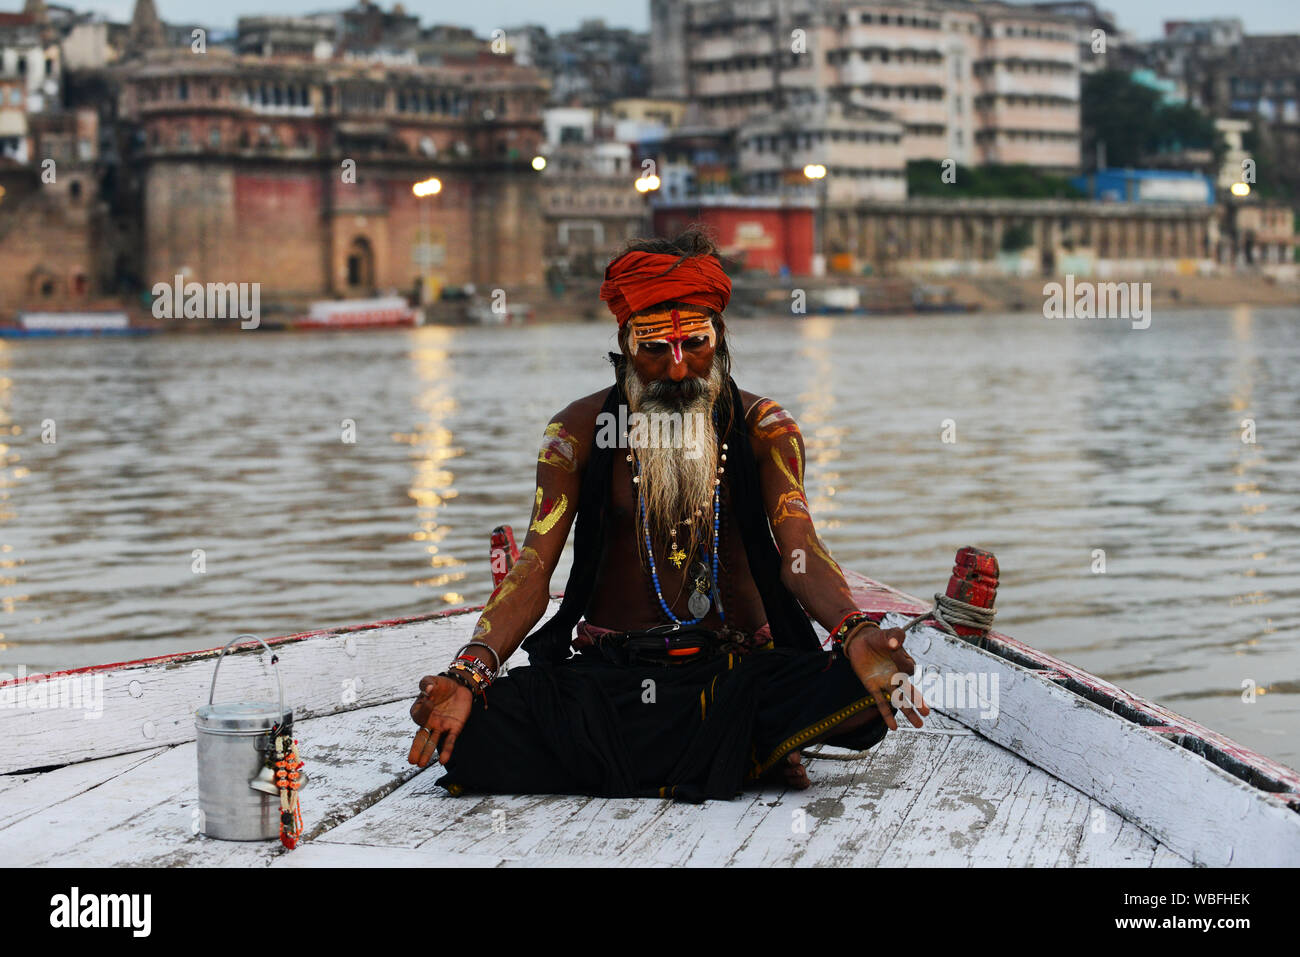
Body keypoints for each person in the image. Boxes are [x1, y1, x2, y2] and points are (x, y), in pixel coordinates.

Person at [407, 226, 928, 802]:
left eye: (696, 346)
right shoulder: (576, 433)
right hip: (615, 679)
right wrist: (468, 673)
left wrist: (854, 631)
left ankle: (723, 749)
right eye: (655, 349)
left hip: (738, 674)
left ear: (721, 337)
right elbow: (534, 566)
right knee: (469, 733)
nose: (679, 371)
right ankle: (745, 754)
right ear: (626, 346)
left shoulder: (766, 429)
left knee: (862, 699)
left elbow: (800, 554)